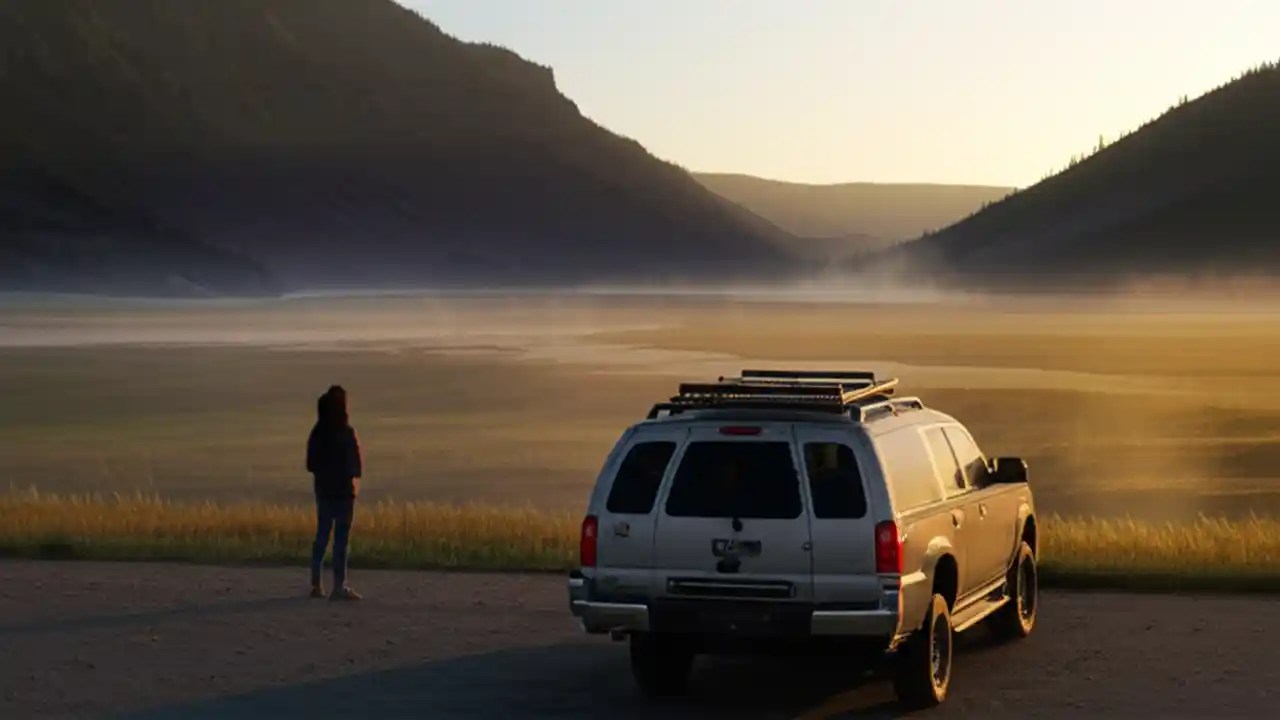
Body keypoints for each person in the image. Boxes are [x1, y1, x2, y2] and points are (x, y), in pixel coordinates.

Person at [306, 385, 363, 600]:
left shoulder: (317, 433)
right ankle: (339, 587)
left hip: (323, 491)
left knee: (321, 536)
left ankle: (316, 584)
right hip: (343, 493)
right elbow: (357, 466)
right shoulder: (346, 432)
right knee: (341, 540)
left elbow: (310, 464)